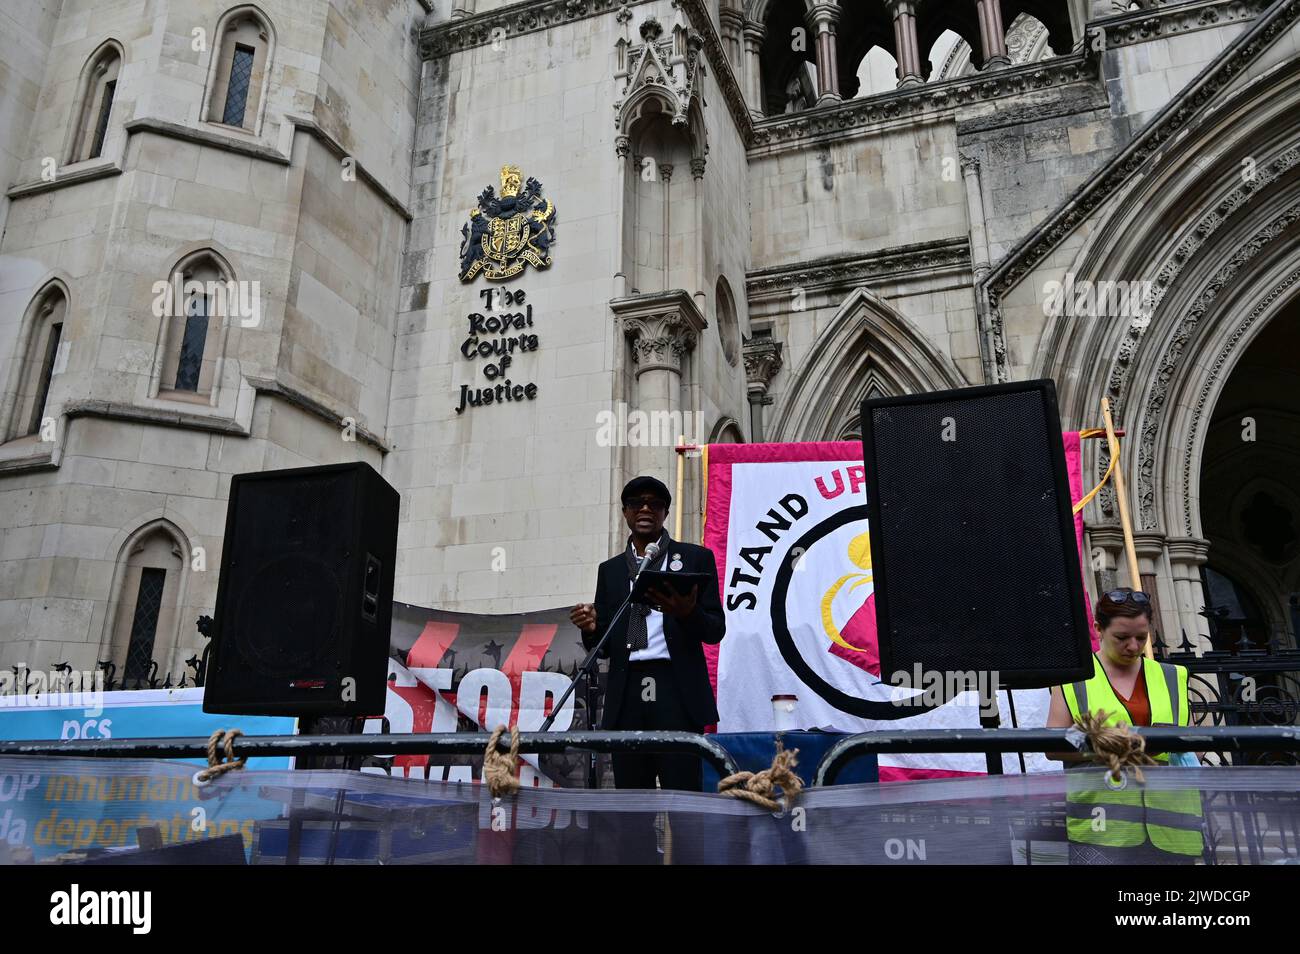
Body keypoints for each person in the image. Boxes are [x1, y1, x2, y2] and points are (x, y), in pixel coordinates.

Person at [569, 475, 725, 792]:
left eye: (654, 504)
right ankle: (636, 844)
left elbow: (715, 630)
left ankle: (685, 844)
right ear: (625, 513)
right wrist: (591, 629)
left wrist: (687, 612)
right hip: (627, 691)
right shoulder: (610, 571)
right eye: (636, 503)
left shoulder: (695, 558)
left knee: (683, 798)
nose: (645, 508)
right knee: (632, 799)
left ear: (665, 513)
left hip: (677, 689)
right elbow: (606, 646)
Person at [1046, 588, 1204, 864]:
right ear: (1098, 629)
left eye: (1141, 638)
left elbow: (1196, 746)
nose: (1133, 646)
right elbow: (1052, 745)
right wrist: (1111, 745)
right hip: (1103, 826)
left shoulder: (1174, 676)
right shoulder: (1072, 679)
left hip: (1173, 826)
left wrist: (1178, 745)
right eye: (1122, 637)